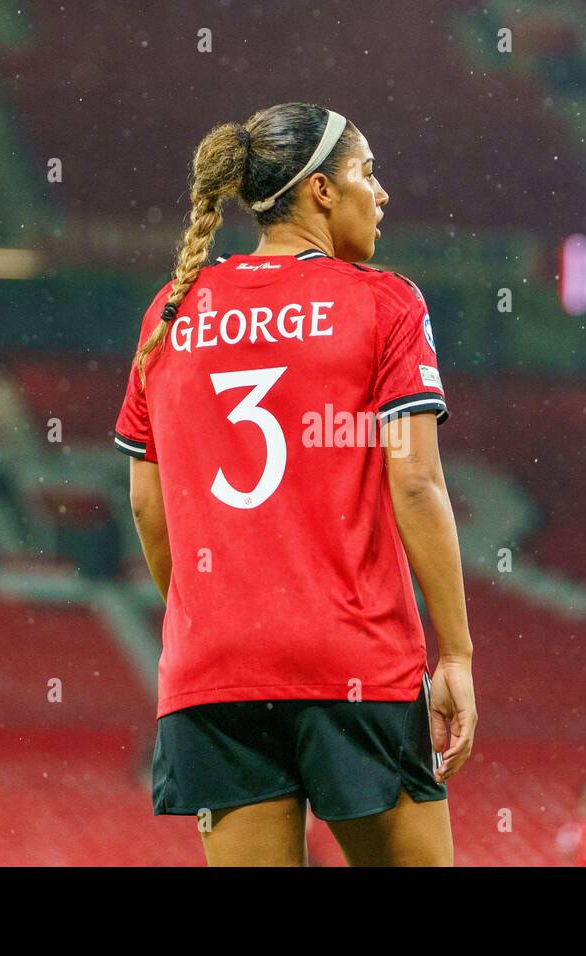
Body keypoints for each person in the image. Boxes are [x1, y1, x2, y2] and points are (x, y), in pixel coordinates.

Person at [116, 101, 477, 866]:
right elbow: (416, 485)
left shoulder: (171, 310)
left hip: (214, 672)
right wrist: (458, 658)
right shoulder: (385, 303)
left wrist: (221, 613)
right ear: (319, 190)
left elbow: (147, 503)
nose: (381, 195)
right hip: (352, 661)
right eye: (367, 173)